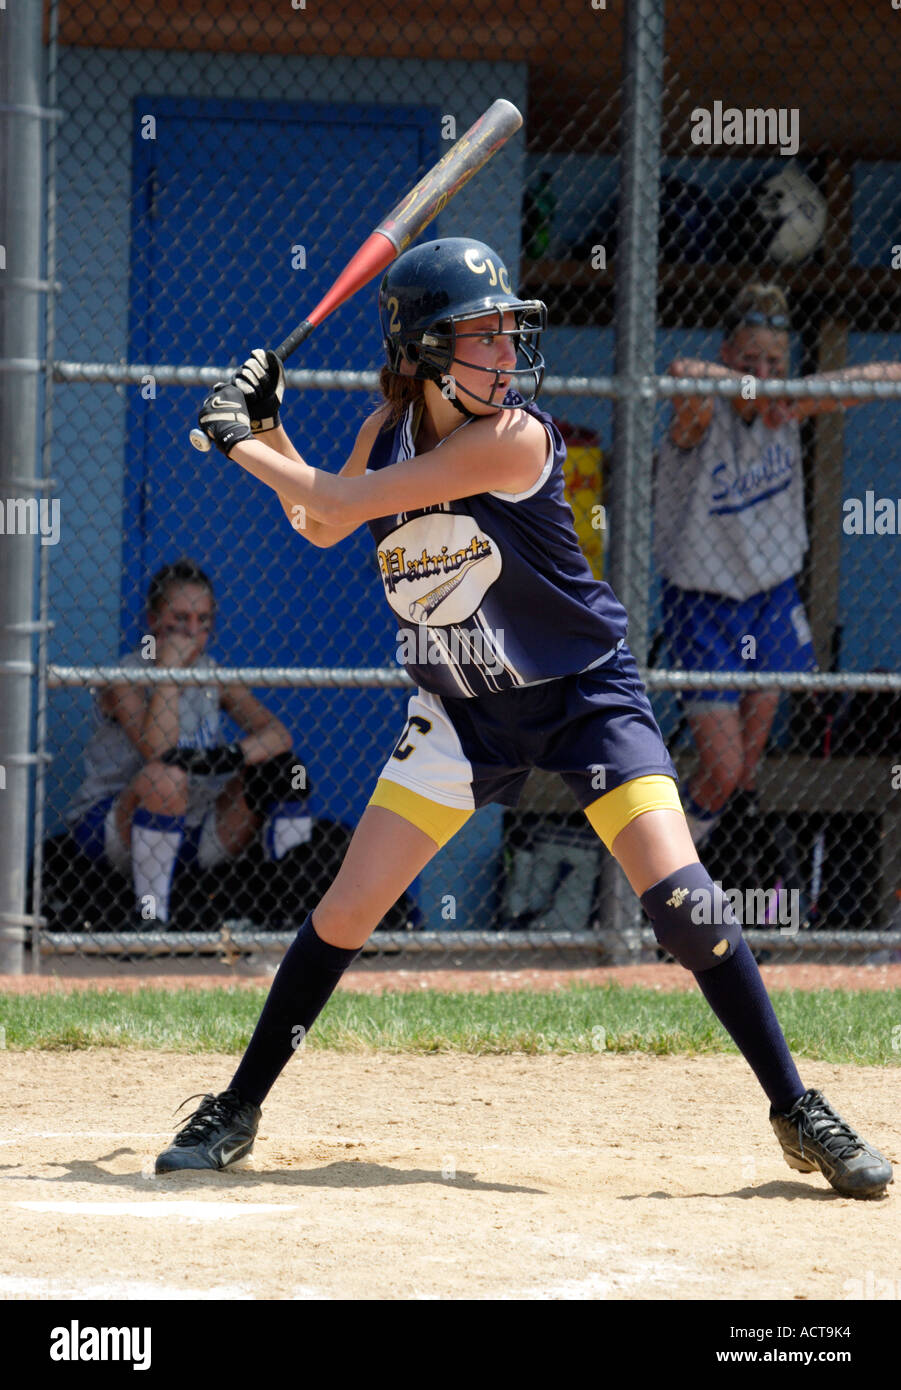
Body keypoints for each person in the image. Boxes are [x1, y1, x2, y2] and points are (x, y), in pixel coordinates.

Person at [154, 239, 891, 1199]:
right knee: (347, 906)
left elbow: (336, 502)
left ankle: (796, 1108)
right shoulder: (386, 430)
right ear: (420, 352)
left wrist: (241, 441)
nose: (505, 357)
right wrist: (269, 431)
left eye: (508, 336)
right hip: (462, 710)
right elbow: (326, 519)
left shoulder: (515, 438)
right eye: (480, 338)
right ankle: (238, 1106)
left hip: (583, 701)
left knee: (683, 902)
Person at [656, 283, 901, 865]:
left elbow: (875, 379)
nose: (764, 372)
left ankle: (728, 882)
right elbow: (682, 367)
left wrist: (791, 393)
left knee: (747, 773)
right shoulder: (700, 409)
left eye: (774, 362)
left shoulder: (787, 405)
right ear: (728, 354)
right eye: (749, 360)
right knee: (724, 766)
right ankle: (659, 886)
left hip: (769, 598)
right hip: (703, 602)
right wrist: (748, 389)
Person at [66, 560, 312, 927]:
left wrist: (229, 755)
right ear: (153, 622)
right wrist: (169, 674)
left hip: (198, 827)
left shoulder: (212, 674)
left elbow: (277, 735)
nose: (192, 632)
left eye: (203, 621)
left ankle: (292, 909)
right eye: (180, 619)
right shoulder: (124, 677)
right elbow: (160, 750)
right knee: (166, 777)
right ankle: (152, 919)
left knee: (287, 771)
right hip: (116, 828)